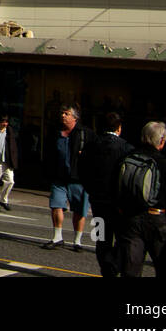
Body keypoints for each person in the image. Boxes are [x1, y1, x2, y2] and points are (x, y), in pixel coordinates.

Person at [114, 120, 166, 278]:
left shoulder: (127, 158)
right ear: (162, 141)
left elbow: (114, 188)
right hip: (158, 218)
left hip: (131, 218)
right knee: (164, 268)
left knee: (130, 270)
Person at [78, 111, 133, 276]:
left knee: (102, 239)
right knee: (122, 237)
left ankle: (107, 268)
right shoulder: (126, 148)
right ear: (119, 128)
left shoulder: (91, 146)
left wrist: (91, 190)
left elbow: (82, 171)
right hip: (118, 204)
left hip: (98, 202)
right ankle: (114, 265)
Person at [42, 105, 94, 250]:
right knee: (56, 205)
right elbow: (48, 152)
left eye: (67, 114)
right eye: (62, 113)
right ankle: (57, 237)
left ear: (75, 118)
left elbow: (95, 155)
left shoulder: (85, 134)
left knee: (79, 210)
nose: (63, 116)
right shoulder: (55, 132)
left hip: (78, 178)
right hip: (59, 177)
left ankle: (77, 241)